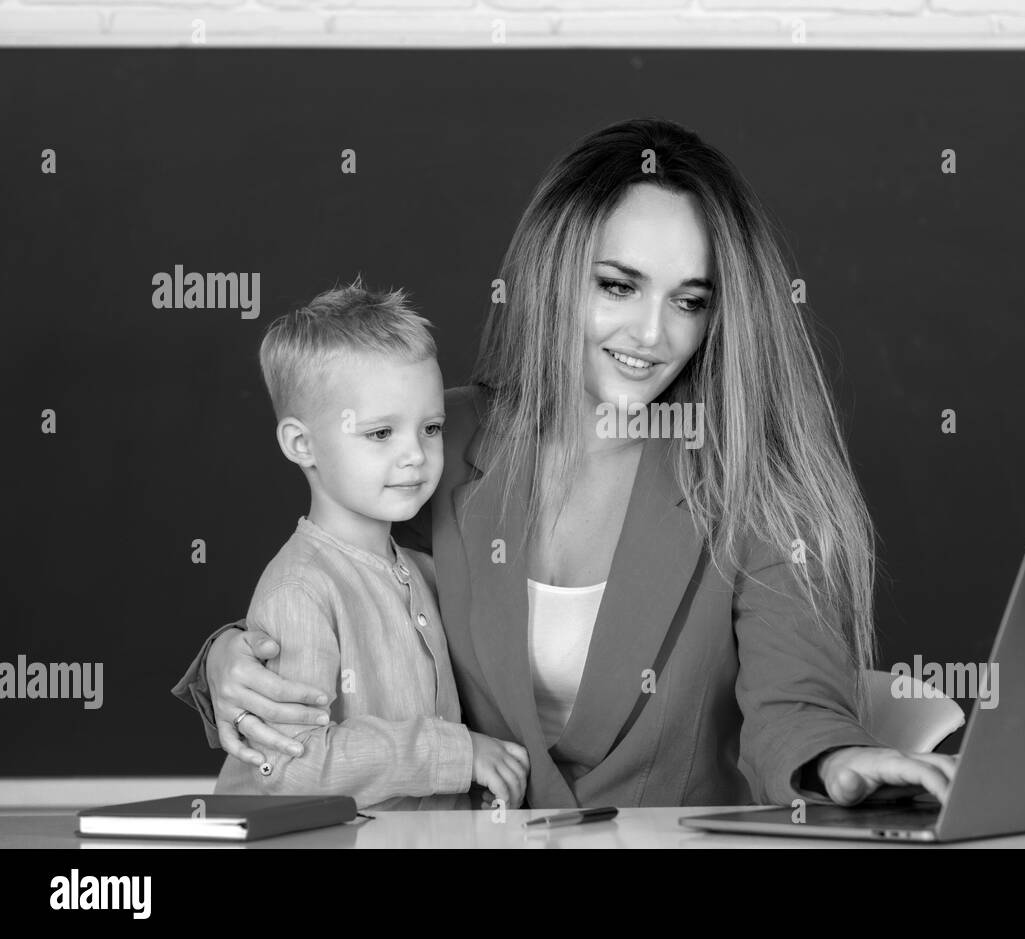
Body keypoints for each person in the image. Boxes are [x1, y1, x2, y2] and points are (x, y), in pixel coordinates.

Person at [174, 118, 957, 809]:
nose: (652, 334)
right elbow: (333, 570)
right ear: (553, 276)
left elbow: (797, 700)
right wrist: (228, 660)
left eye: (691, 300)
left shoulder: (750, 476)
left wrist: (836, 758)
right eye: (618, 286)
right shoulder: (438, 439)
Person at [207, 279, 529, 811]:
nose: (416, 456)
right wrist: (458, 753)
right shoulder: (300, 590)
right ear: (301, 444)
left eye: (430, 428)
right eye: (381, 434)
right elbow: (290, 766)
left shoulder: (420, 570)